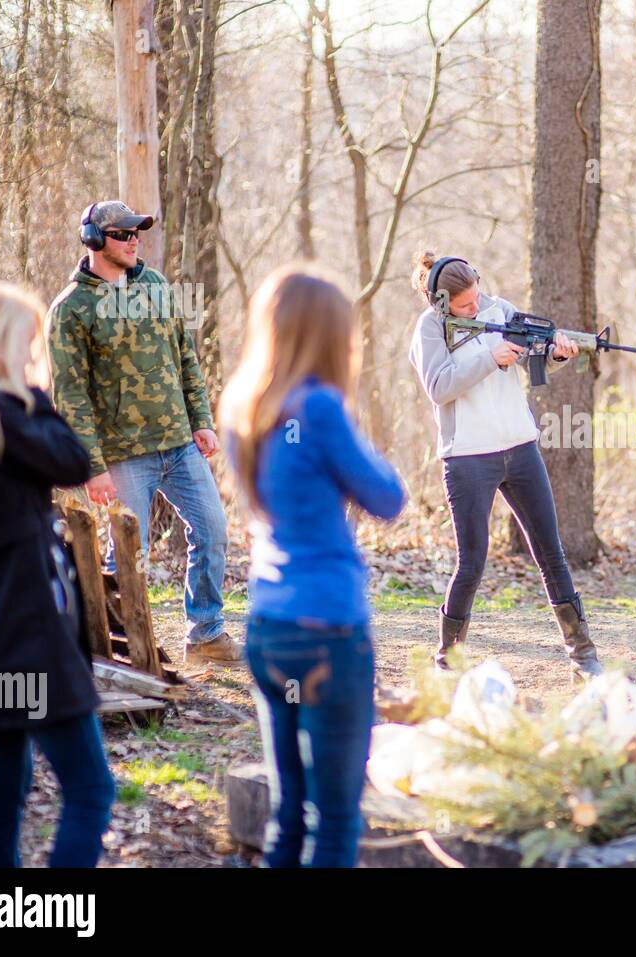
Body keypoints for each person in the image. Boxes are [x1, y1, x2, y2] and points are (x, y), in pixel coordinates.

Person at [219, 265, 405, 867]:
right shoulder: (321, 408)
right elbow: (388, 498)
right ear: (330, 335)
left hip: (268, 627)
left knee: (289, 812)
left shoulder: (244, 409)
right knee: (336, 817)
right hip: (327, 628)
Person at [0, 281, 116, 867]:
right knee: (91, 790)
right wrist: (36, 398)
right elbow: (72, 460)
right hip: (25, 632)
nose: (30, 352)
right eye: (24, 340)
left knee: (4, 789)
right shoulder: (2, 415)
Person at [45, 200, 237, 663]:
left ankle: (206, 635)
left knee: (213, 531)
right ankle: (125, 650)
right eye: (123, 234)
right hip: (123, 454)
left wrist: (201, 420)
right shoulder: (71, 309)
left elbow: (184, 356)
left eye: (137, 233)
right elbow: (71, 398)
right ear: (94, 240)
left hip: (179, 444)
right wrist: (92, 468)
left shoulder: (155, 285)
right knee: (129, 556)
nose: (134, 241)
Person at [407, 251, 604, 680]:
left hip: (520, 447)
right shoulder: (429, 329)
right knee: (472, 562)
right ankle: (448, 662)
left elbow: (536, 355)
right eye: (464, 306)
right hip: (467, 457)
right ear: (441, 302)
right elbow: (439, 387)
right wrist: (490, 358)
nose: (475, 307)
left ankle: (583, 657)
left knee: (551, 553)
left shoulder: (500, 310)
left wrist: (557, 354)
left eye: (476, 297)